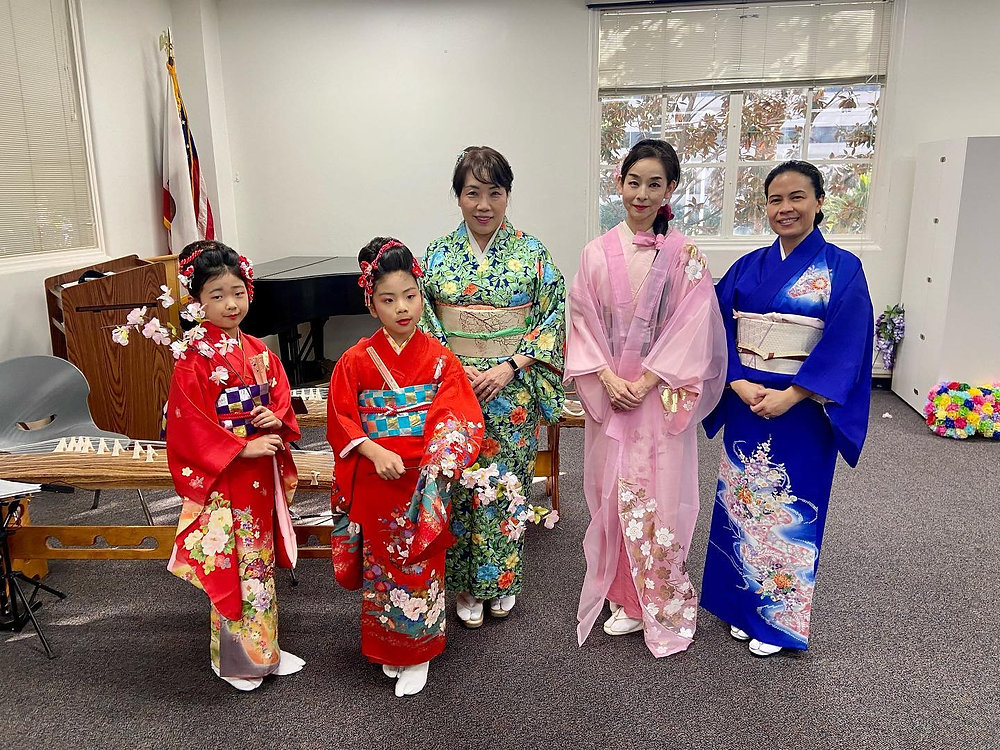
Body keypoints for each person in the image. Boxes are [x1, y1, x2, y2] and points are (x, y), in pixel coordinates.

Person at [701, 160, 874, 657]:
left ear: (819, 203)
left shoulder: (843, 269)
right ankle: (740, 606)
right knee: (741, 500)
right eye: (775, 200)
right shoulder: (748, 266)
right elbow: (712, 326)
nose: (785, 208)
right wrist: (734, 380)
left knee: (788, 505)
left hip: (803, 409)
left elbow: (847, 342)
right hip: (746, 400)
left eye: (797, 197)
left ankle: (776, 618)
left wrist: (794, 394)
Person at [566, 139, 727, 658]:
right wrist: (607, 377)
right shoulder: (595, 253)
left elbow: (693, 325)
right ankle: (619, 592)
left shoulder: (686, 255)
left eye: (654, 183)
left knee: (658, 492)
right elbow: (582, 323)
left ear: (671, 189)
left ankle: (649, 598)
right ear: (619, 183)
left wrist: (650, 379)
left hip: (657, 398)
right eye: (633, 181)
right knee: (611, 493)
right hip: (613, 394)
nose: (642, 193)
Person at [327, 237, 484, 697]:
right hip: (377, 476)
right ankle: (388, 648)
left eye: (411, 295)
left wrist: (438, 460)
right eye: (388, 299)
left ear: (421, 291)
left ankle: (418, 653)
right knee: (382, 566)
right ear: (370, 302)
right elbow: (341, 419)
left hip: (423, 480)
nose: (402, 308)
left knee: (419, 564)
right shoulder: (355, 361)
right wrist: (374, 452)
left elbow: (458, 413)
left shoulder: (439, 356)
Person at [420, 146, 565, 626]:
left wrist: (510, 364)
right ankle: (463, 585)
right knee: (458, 481)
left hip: (512, 387)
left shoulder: (532, 252)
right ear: (457, 197)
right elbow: (424, 319)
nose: (483, 204)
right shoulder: (437, 254)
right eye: (472, 193)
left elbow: (554, 314)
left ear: (508, 196)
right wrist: (456, 370)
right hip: (454, 387)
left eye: (494, 193)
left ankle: (502, 580)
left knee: (506, 485)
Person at [166, 240, 304, 691]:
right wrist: (239, 447)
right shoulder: (193, 359)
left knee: (257, 563)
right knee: (234, 564)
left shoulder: (258, 352)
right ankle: (236, 660)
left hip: (258, 476)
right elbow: (188, 426)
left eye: (237, 291)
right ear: (197, 302)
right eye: (216, 294)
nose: (230, 303)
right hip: (224, 478)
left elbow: (281, 401)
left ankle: (264, 652)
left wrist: (274, 419)